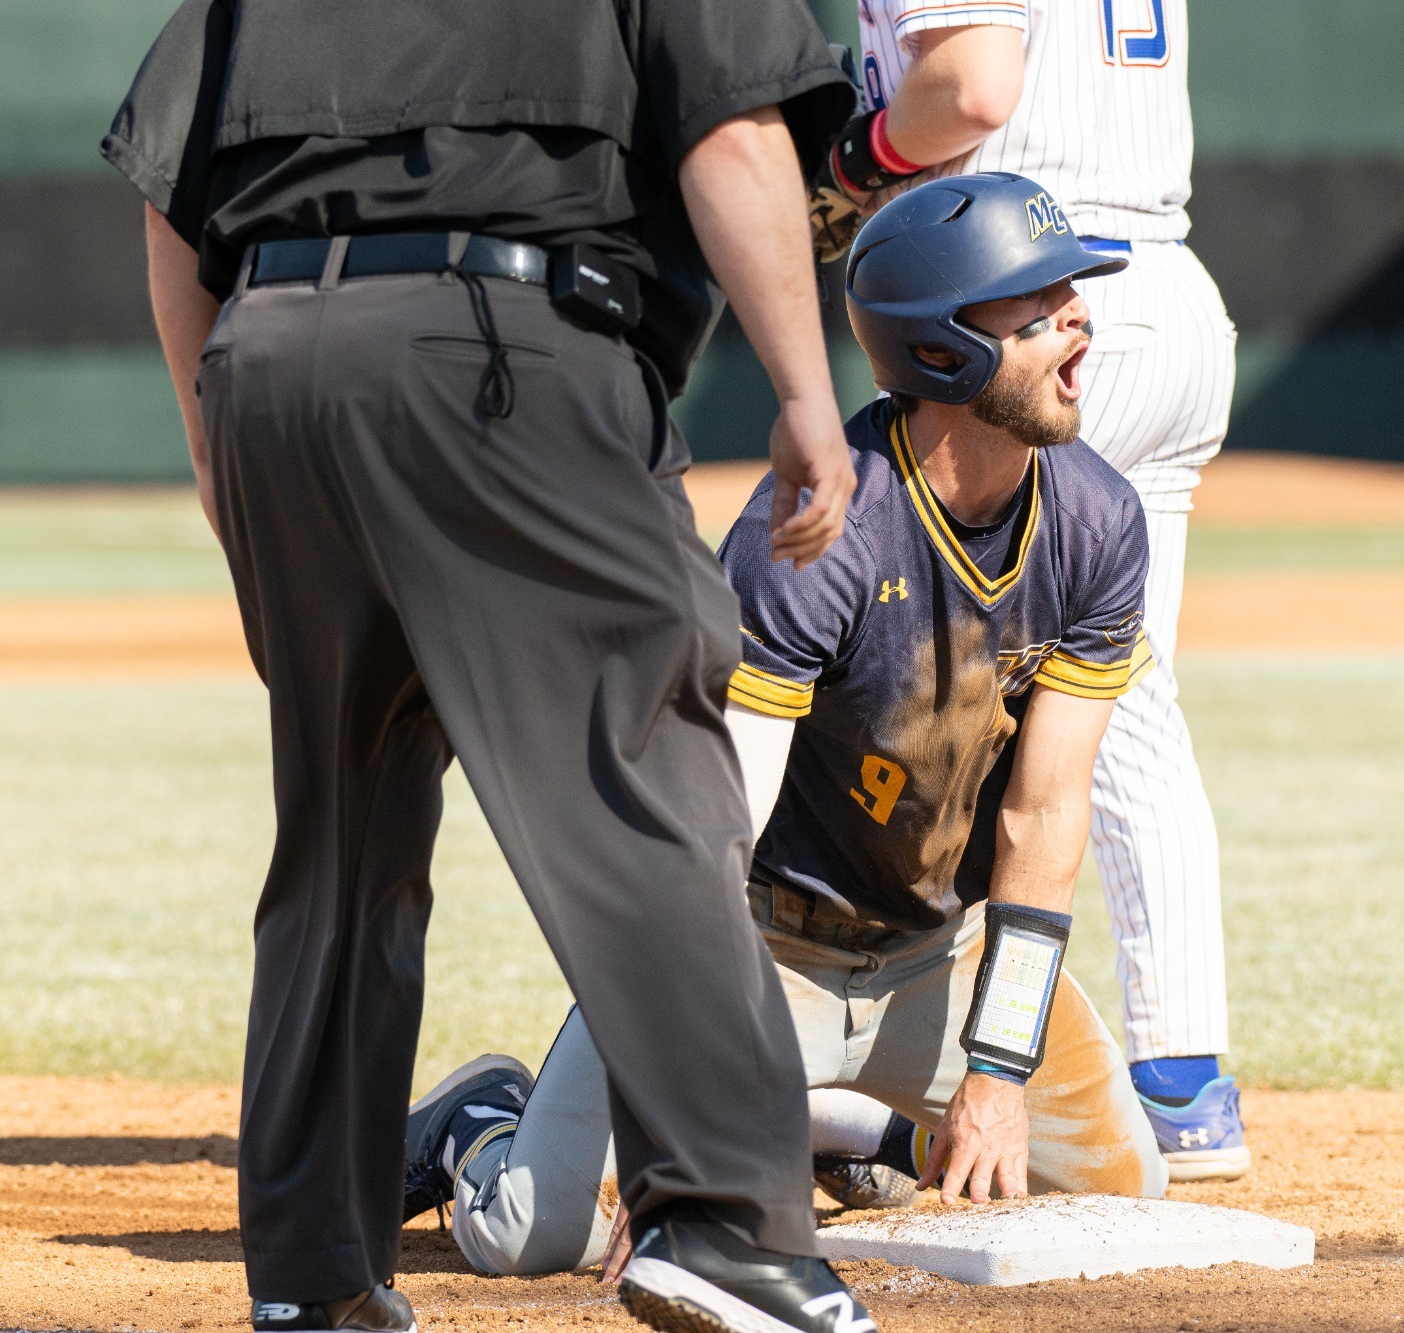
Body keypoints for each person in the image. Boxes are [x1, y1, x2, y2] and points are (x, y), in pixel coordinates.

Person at [100, 3, 876, 1331]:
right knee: (637, 765)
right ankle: (729, 1228)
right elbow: (737, 138)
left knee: (338, 836)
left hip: (271, 363)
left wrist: (219, 446)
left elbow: (173, 210)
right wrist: (809, 391)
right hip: (504, 344)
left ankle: (313, 1275)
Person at [401, 173, 1170, 1282]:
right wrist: (681, 1146)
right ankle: (481, 1119)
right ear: (943, 352)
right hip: (753, 955)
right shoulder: (817, 530)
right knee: (535, 1233)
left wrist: (997, 1072)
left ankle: (858, 1134)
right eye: (1037, 305)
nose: (1077, 319)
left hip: (934, 960)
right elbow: (719, 825)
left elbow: (1046, 816)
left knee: (1115, 1197)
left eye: (1070, 296)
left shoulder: (1098, 520)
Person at [801, 0, 1248, 1184]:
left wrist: (854, 162)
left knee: (917, 656)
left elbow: (973, 91)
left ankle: (883, 1040)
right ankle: (1183, 1079)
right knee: (1126, 700)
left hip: (1009, 287)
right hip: (1151, 286)